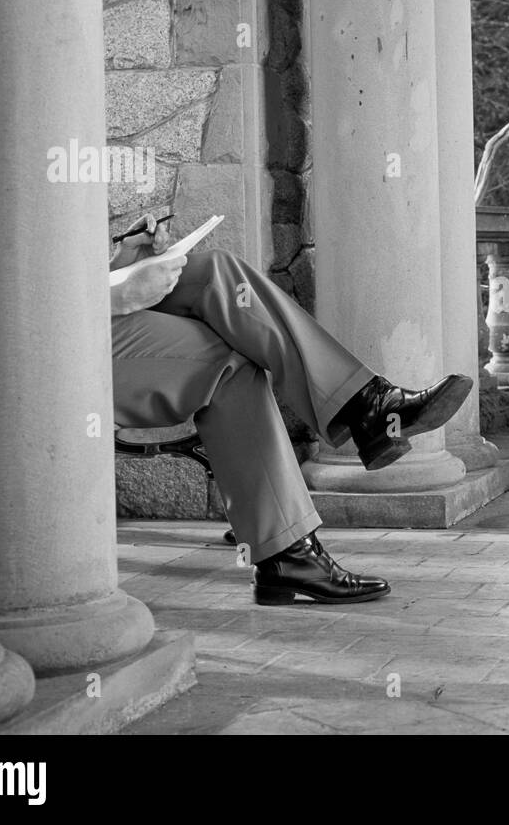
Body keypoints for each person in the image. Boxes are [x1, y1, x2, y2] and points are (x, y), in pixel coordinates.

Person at [109, 212, 472, 606]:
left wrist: (123, 264)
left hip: (89, 308)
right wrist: (117, 295)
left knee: (219, 272)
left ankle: (368, 403)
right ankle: (288, 551)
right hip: (58, 349)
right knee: (229, 366)